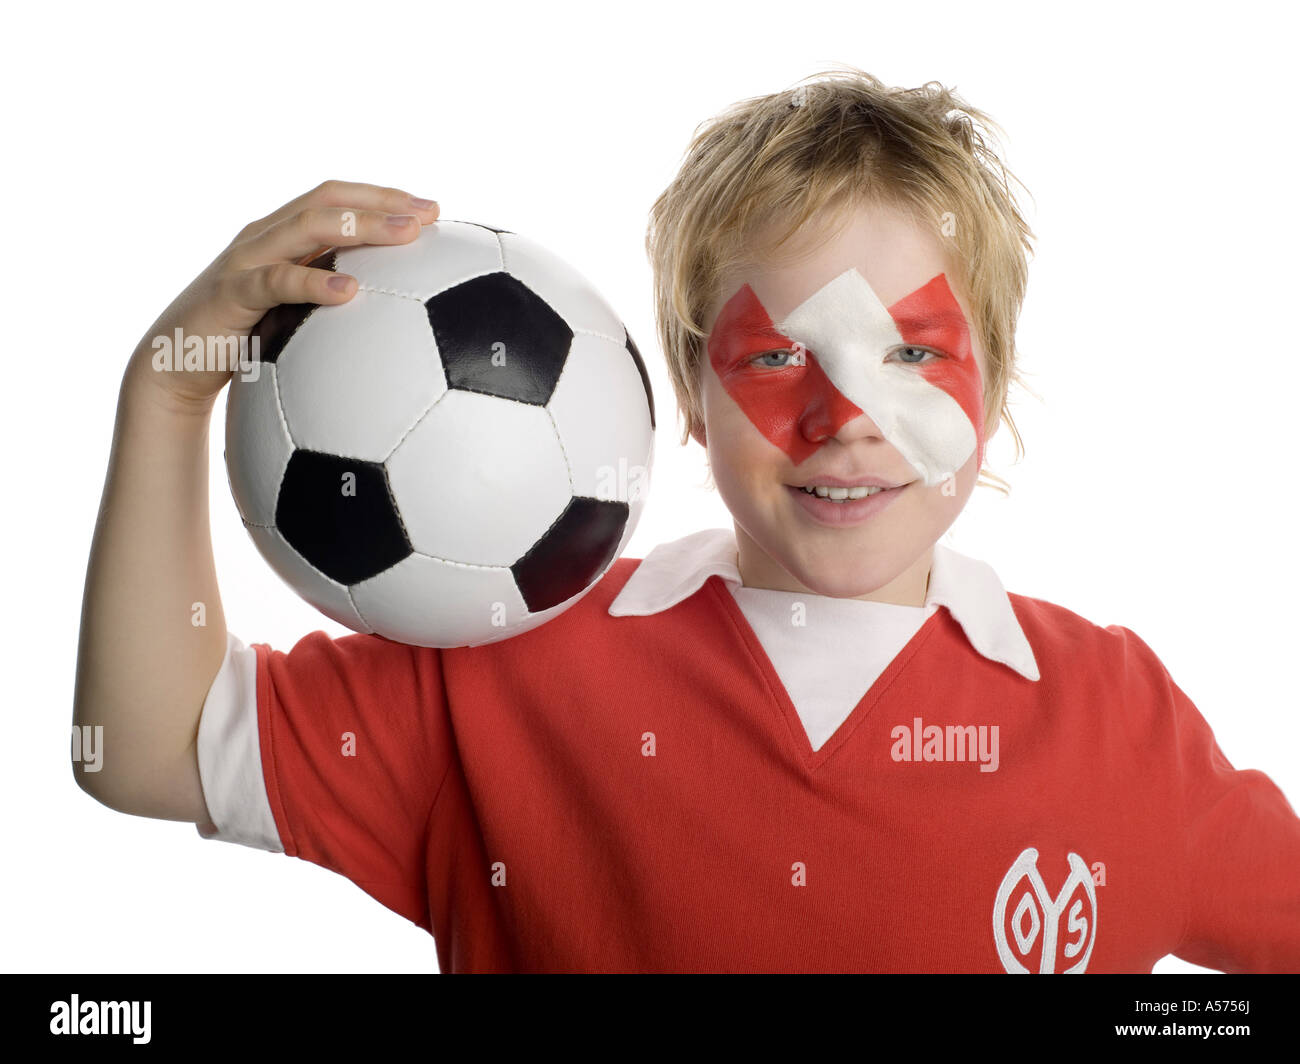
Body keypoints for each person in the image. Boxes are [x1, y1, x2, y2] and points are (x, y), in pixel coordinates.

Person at [72, 67, 1300, 973]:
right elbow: (139, 748)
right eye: (774, 352)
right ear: (688, 399)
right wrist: (169, 390)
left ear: (999, 372)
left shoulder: (1115, 715)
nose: (845, 417)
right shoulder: (517, 649)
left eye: (911, 351)